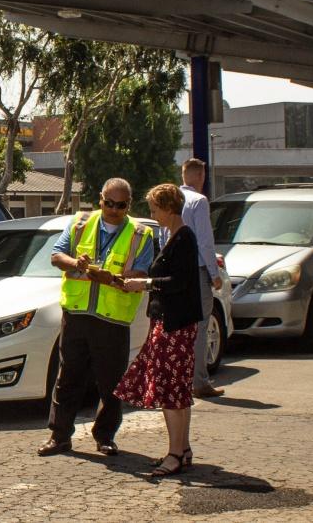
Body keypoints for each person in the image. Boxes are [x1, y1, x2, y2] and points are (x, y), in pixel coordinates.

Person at [41, 178, 157, 457]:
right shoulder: (81, 223)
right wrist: (76, 263)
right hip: (77, 314)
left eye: (121, 205)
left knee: (111, 382)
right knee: (68, 376)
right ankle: (60, 436)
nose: (114, 209)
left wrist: (113, 278)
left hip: (112, 318)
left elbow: (142, 273)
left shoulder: (141, 234)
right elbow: (57, 256)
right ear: (100, 199)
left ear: (129, 204)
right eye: (109, 203)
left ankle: (105, 436)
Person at [116, 184, 204, 478]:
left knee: (171, 390)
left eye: (155, 209)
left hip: (175, 323)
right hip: (168, 321)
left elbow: (178, 282)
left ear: (168, 208)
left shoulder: (183, 239)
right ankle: (183, 448)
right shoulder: (172, 237)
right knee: (176, 389)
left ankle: (175, 453)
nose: (152, 214)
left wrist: (145, 284)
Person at [176, 159, 226, 398]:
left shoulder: (171, 198)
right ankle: (199, 382)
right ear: (200, 176)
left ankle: (179, 380)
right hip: (196, 270)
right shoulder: (199, 201)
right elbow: (204, 242)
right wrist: (214, 275)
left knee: (179, 327)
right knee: (199, 327)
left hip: (174, 271)